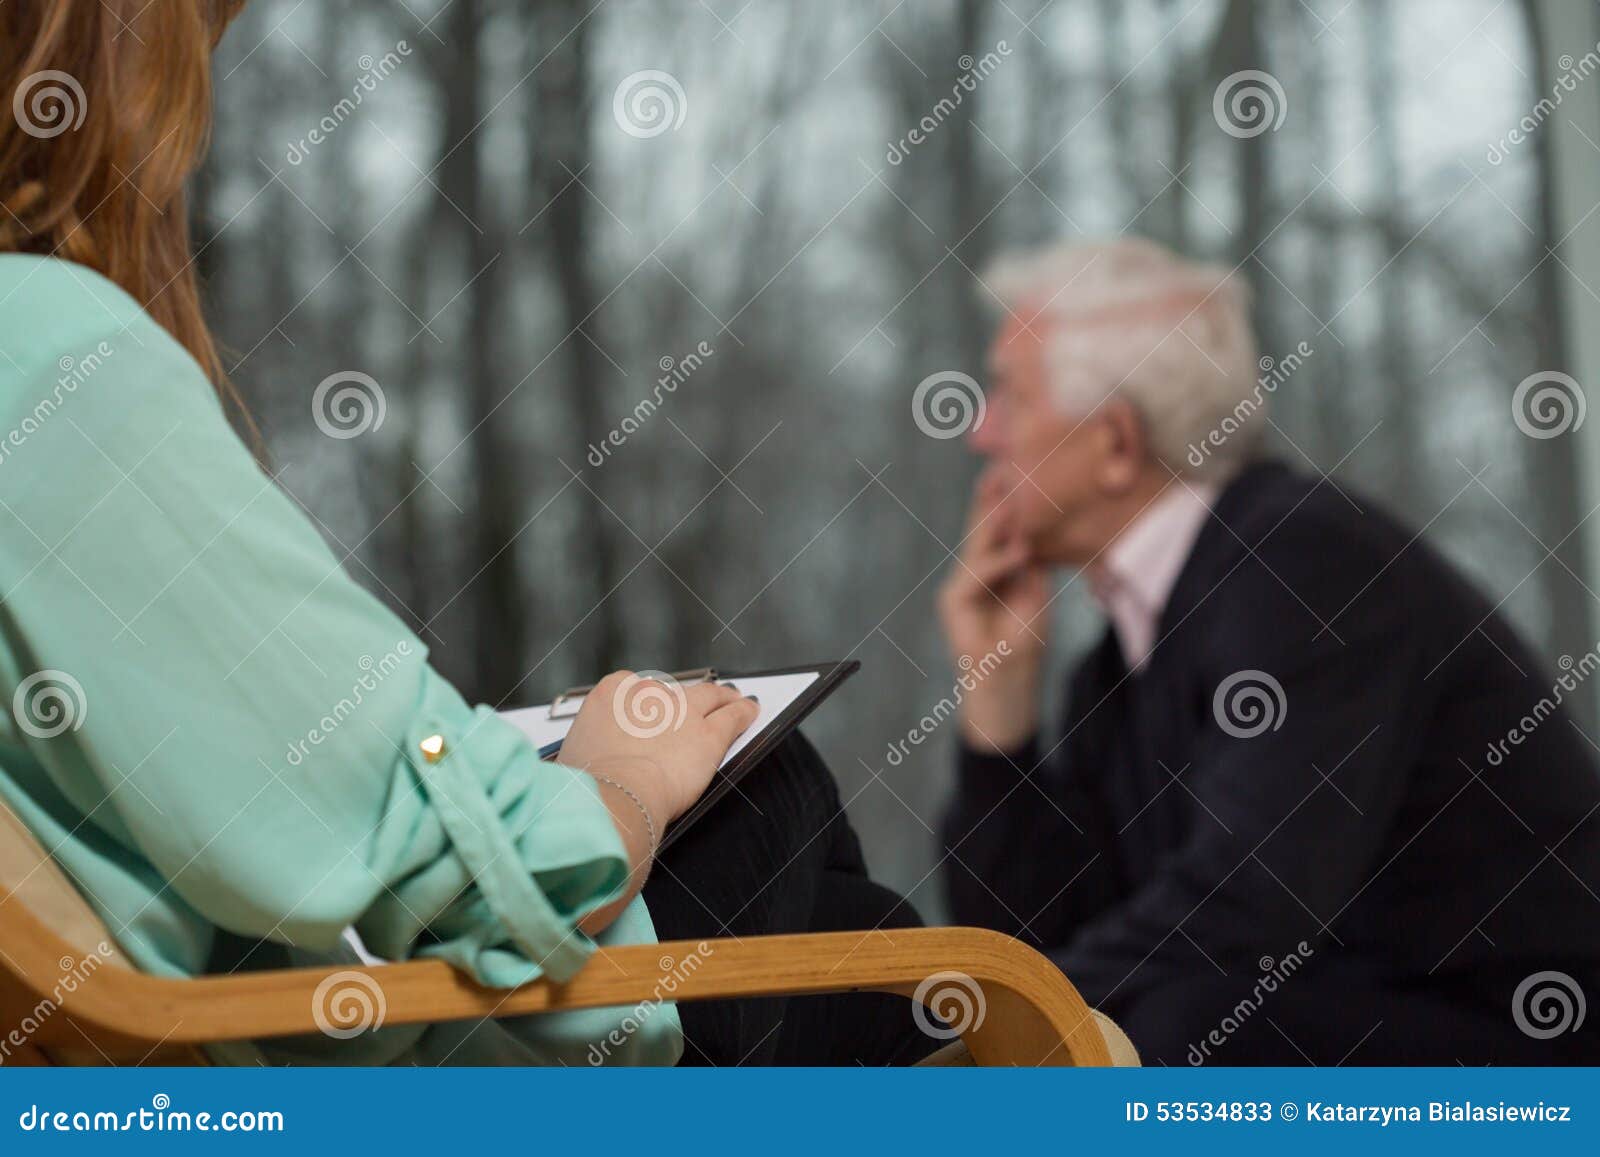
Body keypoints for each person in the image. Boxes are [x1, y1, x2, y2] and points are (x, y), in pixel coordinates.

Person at [0, 0, 932, 1067]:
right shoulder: (46, 351)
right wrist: (621, 782)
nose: (191, 110)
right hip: (420, 1091)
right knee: (763, 775)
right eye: (186, 45)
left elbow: (312, 776)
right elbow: (496, 872)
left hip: (199, 1068)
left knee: (861, 955)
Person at [937, 237, 1600, 1065]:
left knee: (1178, 1026)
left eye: (1009, 394)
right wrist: (998, 705)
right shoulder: (1115, 664)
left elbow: (1250, 911)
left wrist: (987, 1039)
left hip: (1528, 1046)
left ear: (1115, 443)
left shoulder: (1305, 563)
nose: (982, 432)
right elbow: (1042, 942)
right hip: (1352, 1022)